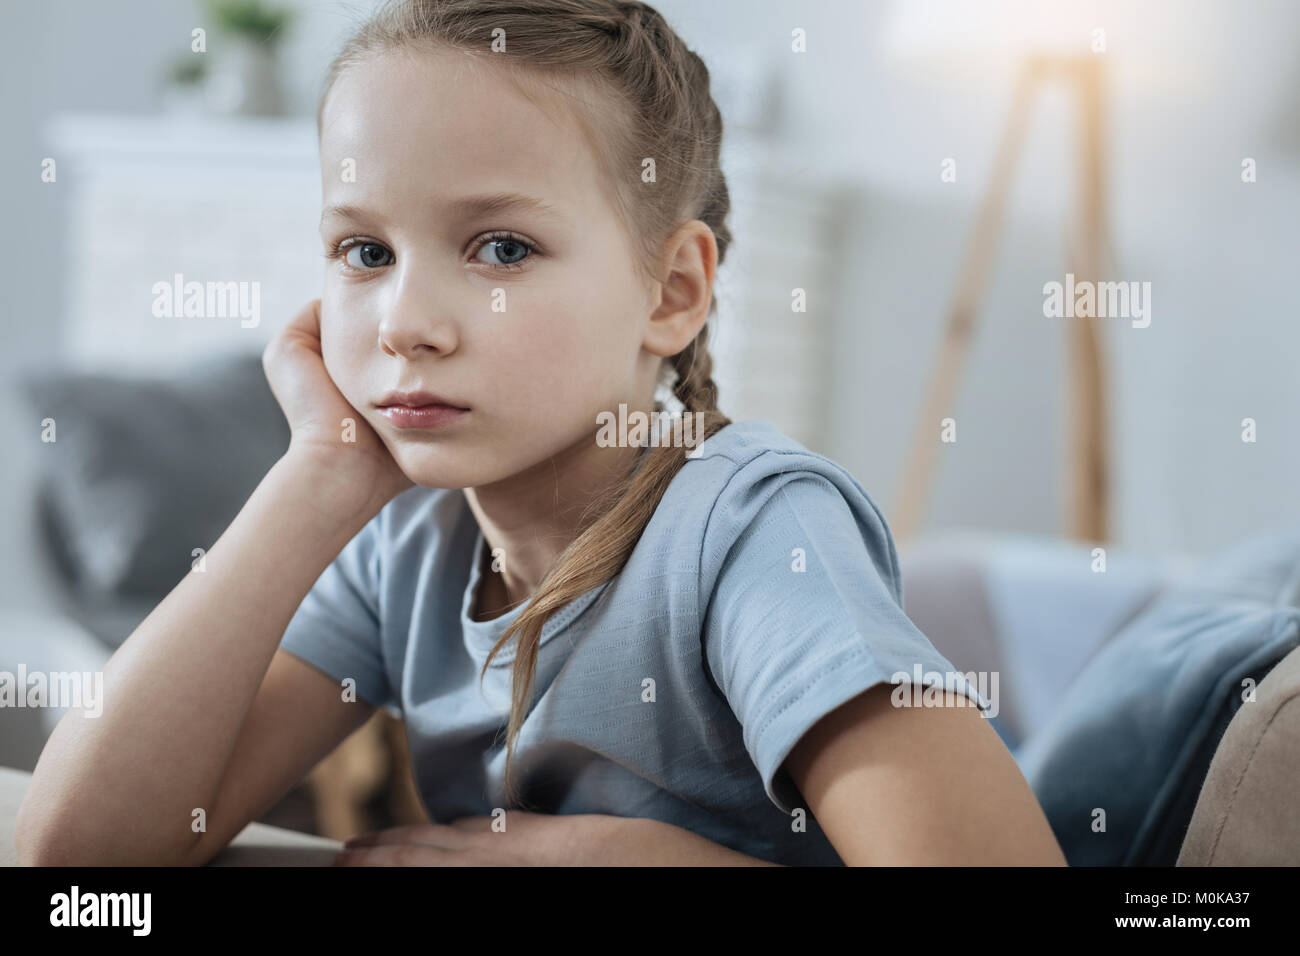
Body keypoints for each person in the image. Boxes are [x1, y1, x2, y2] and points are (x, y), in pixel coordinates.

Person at [17, 0, 1065, 867]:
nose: (404, 324)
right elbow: (77, 861)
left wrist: (626, 861)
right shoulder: (405, 547)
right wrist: (316, 475)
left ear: (673, 289)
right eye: (364, 249)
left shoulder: (749, 526)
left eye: (502, 247)